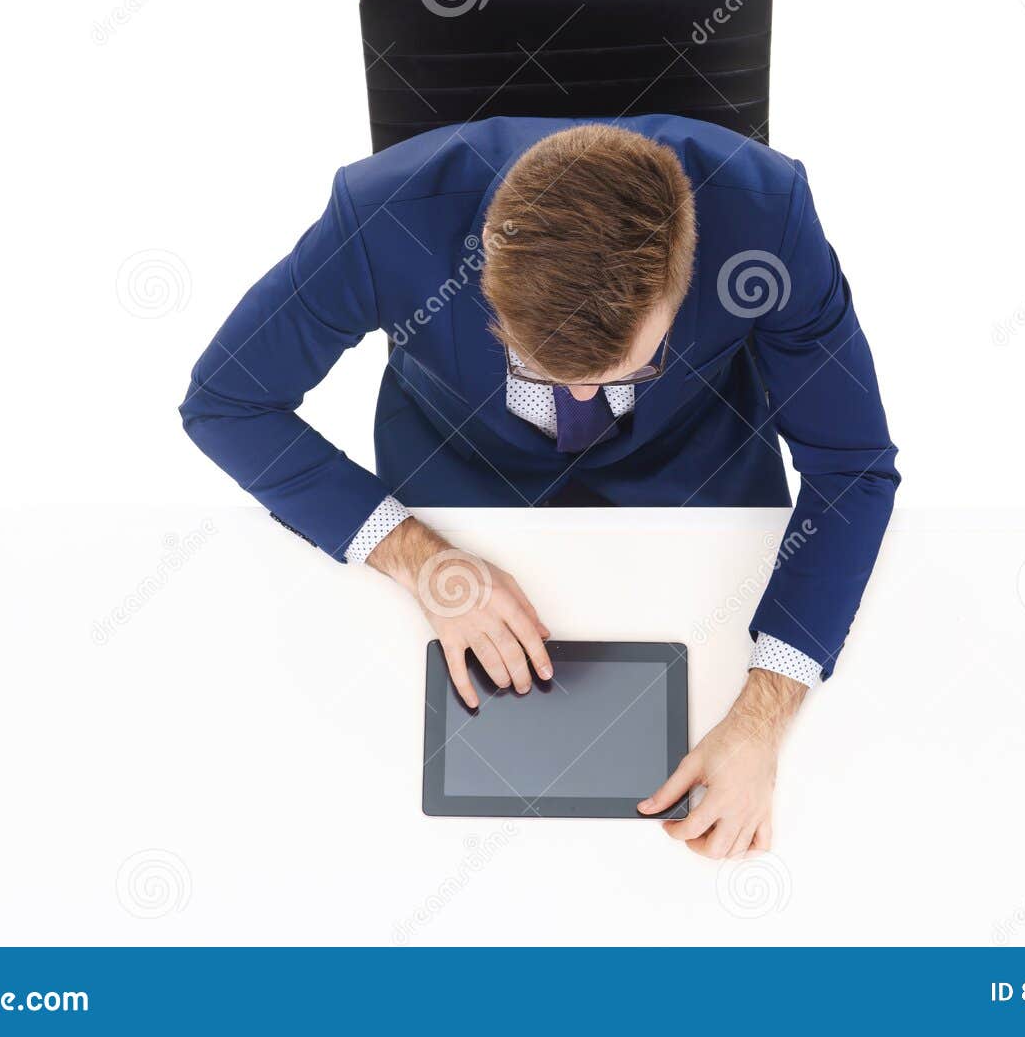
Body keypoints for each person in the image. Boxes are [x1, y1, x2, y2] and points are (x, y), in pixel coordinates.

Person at [180, 116, 898, 857]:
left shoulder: (765, 215)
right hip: (460, 488)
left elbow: (853, 466)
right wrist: (419, 557)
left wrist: (760, 716)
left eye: (623, 373)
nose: (584, 403)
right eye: (541, 367)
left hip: (698, 488)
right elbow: (227, 402)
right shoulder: (386, 215)